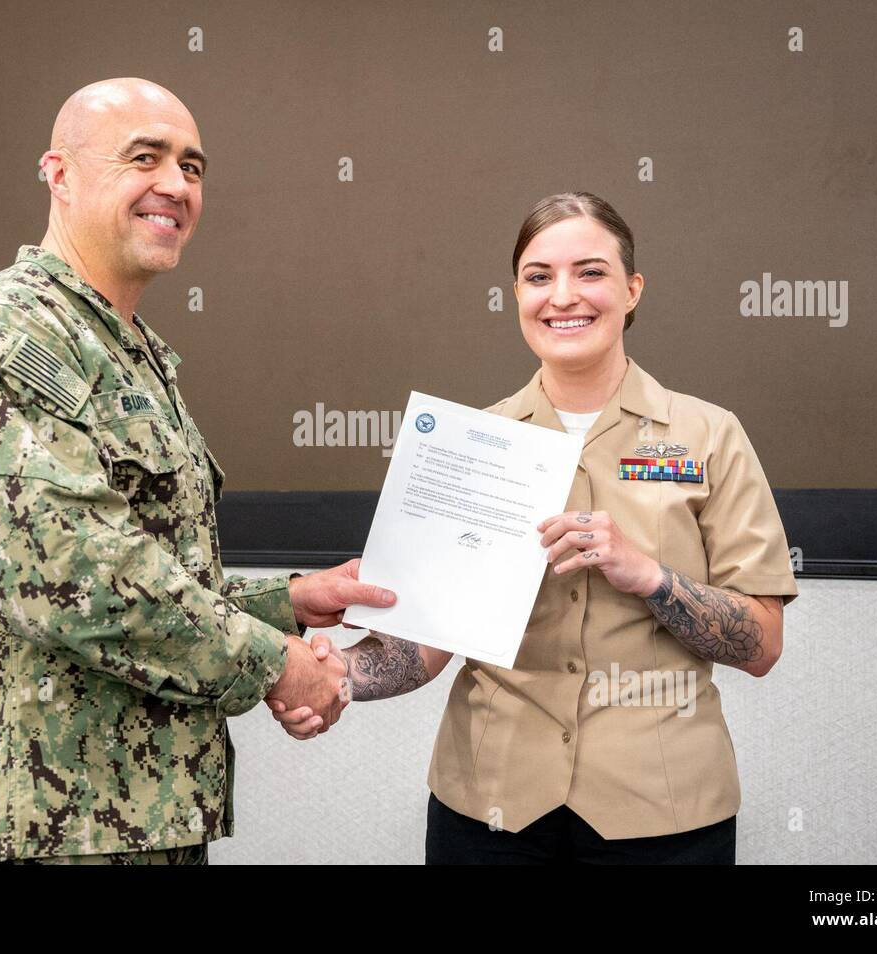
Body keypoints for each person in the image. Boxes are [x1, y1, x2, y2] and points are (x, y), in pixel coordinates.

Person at [0, 78, 395, 865]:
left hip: (133, 817)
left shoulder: (128, 349)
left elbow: (146, 564)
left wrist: (288, 599)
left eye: (192, 167)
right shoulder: (4, 334)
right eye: (144, 158)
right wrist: (276, 666)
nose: (176, 185)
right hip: (39, 824)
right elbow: (69, 578)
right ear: (59, 174)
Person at [272, 192, 799, 865]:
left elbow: (762, 645)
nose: (564, 296)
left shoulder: (708, 435)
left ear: (632, 290)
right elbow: (427, 647)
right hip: (490, 811)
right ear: (516, 294)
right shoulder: (469, 444)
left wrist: (649, 575)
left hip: (662, 813)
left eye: (591, 271)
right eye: (539, 276)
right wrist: (338, 676)